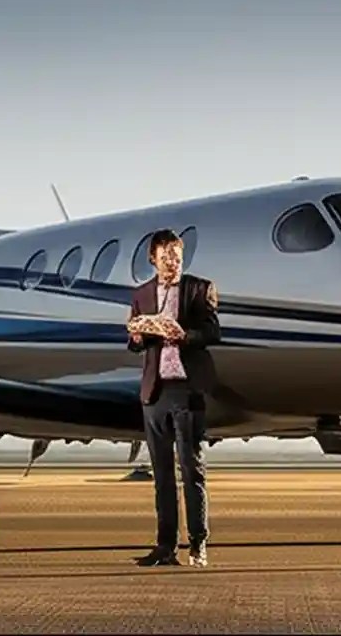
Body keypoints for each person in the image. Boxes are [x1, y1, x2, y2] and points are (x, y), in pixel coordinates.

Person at [126, 228, 220, 567]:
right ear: (153, 259)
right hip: (155, 392)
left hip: (186, 389)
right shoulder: (141, 295)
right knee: (162, 475)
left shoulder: (199, 289)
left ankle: (198, 543)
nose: (173, 262)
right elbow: (135, 344)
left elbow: (213, 331)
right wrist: (138, 336)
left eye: (177, 257)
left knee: (192, 470)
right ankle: (165, 546)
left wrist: (185, 335)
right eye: (166, 257)